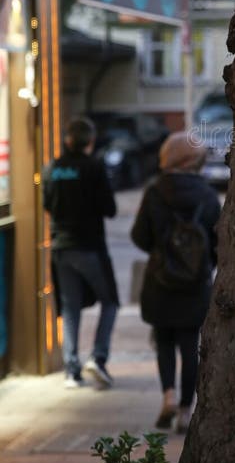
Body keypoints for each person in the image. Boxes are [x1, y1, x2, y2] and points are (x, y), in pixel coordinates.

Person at [131, 131, 221, 434]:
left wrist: (163, 251)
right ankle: (185, 410)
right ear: (195, 159)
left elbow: (139, 237)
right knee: (188, 344)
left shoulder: (155, 192)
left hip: (160, 282)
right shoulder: (208, 196)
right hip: (195, 286)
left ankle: (167, 394)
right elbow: (218, 243)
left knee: (164, 341)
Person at [43, 116, 119, 389]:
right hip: (89, 247)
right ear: (91, 141)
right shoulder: (94, 167)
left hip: (61, 248)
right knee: (110, 301)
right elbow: (110, 209)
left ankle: (71, 371)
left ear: (67, 140)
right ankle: (98, 357)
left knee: (70, 307)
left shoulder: (53, 168)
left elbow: (47, 204)